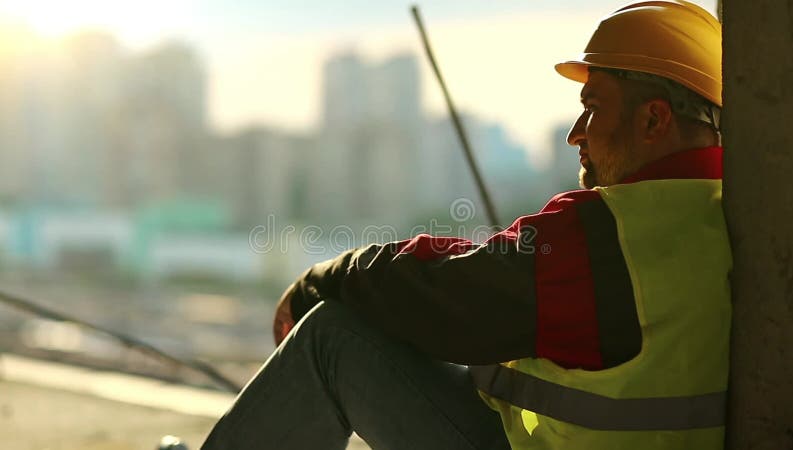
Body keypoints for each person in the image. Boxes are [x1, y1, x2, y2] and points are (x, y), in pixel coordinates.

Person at [199, 1, 730, 449]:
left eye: (592, 108)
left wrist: (318, 283)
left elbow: (440, 288)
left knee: (330, 337)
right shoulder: (725, 210)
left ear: (655, 119)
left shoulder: (610, 232)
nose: (576, 133)